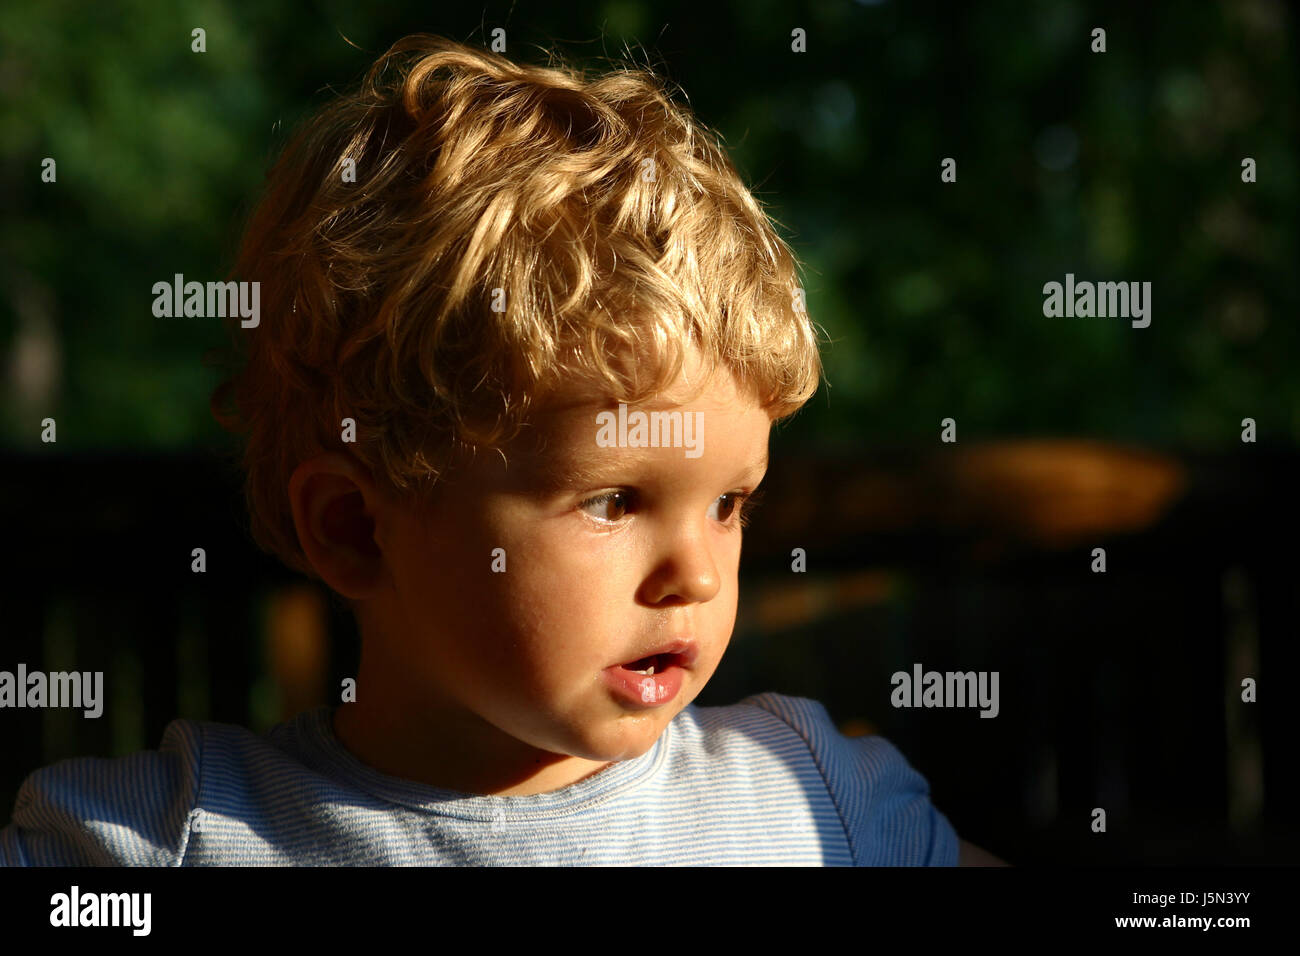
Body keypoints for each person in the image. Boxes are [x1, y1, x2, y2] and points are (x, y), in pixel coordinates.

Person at [1, 34, 1003, 866]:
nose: (696, 571)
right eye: (613, 499)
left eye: (729, 503)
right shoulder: (168, 838)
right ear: (355, 526)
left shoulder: (818, 807)